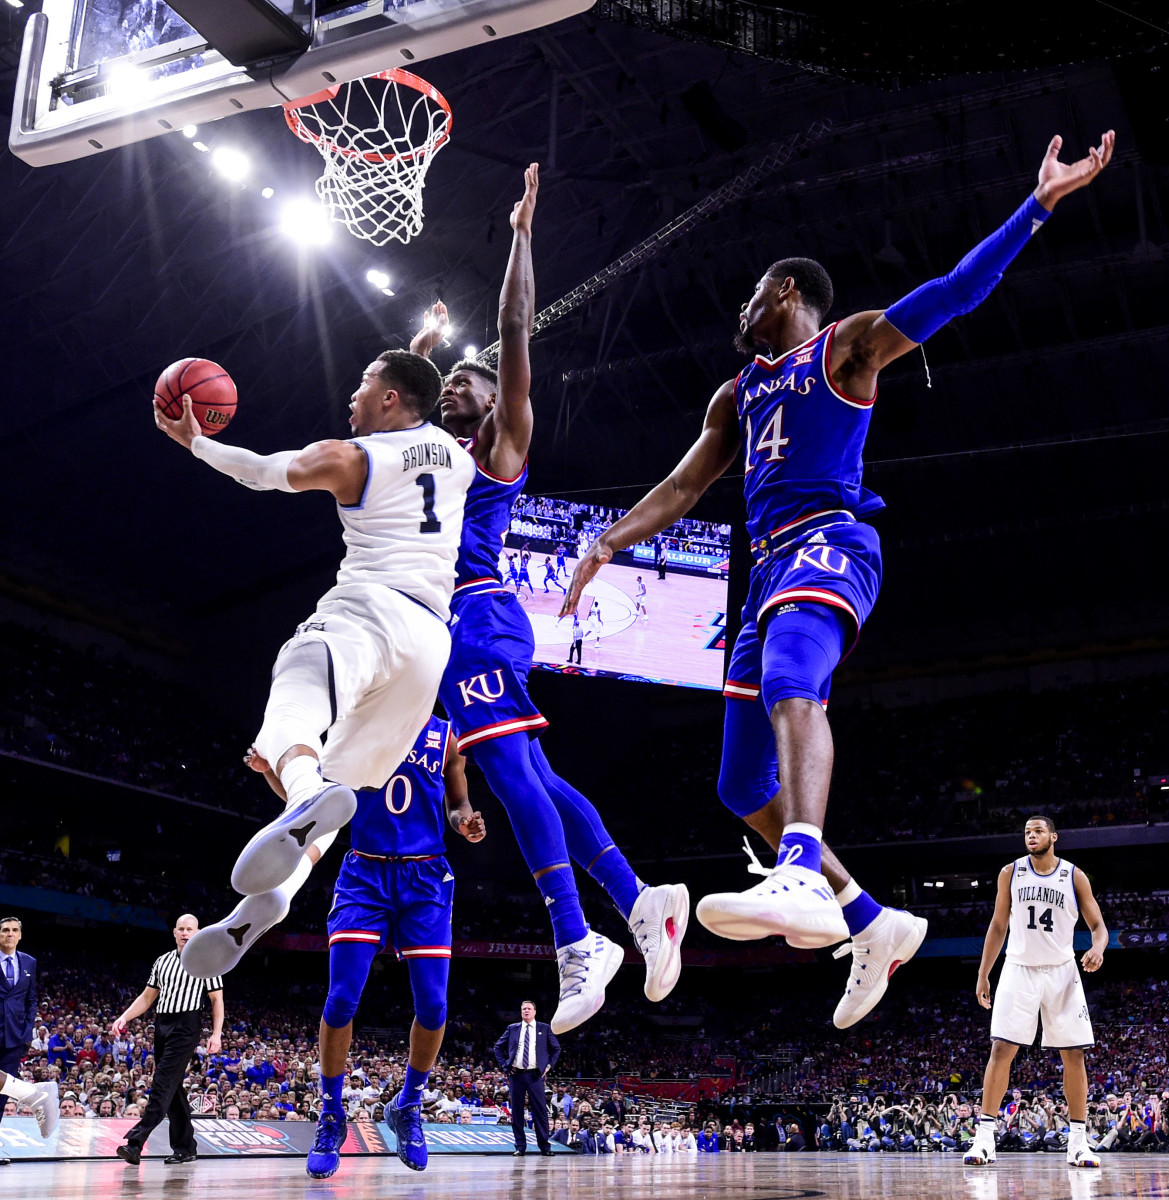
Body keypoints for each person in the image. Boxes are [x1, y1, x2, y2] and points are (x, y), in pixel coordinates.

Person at [563, 129, 1115, 1026]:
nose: (741, 308)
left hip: (832, 543)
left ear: (786, 292)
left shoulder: (847, 349)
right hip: (767, 569)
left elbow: (954, 293)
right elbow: (683, 483)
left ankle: (803, 871)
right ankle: (869, 922)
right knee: (741, 787)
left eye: (752, 294)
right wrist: (606, 541)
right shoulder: (736, 393)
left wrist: (1037, 206)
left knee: (791, 679)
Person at [416, 165, 689, 1034]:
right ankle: (639, 901)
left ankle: (577, 940)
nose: (457, 387)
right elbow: (387, 417)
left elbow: (511, 329)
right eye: (449, 385)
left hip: (475, 610)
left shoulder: (499, 446)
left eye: (469, 382)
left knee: (503, 771)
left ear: (496, 405)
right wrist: (421, 354)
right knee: (533, 773)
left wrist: (521, 236)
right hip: (452, 624)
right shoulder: (430, 453)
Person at [163, 350, 474, 980]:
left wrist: (197, 444)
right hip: (431, 642)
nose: (352, 394)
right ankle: (270, 902)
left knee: (297, 676)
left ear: (390, 398)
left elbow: (263, 471)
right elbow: (417, 392)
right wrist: (422, 346)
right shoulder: (459, 456)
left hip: (371, 607)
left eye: (364, 384)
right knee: (336, 783)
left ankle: (303, 789)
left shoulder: (352, 457)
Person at [246, 719, 483, 1179]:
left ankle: (408, 1105)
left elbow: (458, 804)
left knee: (434, 1006)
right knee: (341, 999)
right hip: (365, 875)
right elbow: (314, 803)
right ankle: (331, 1113)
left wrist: (466, 822)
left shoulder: (447, 734)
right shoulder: (356, 725)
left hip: (426, 877)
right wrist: (270, 773)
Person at [964, 816, 1108, 1169]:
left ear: (1053, 837)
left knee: (1074, 1053)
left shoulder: (1073, 875)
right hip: (1018, 968)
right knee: (1002, 1048)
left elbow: (1099, 926)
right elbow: (998, 925)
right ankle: (984, 1139)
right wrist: (984, 973)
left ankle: (1078, 1142)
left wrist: (1098, 948)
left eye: (1038, 831)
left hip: (1061, 971)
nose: (1031, 836)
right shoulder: (1010, 873)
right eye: (1027, 832)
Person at [111, 915, 224, 1165]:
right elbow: (147, 997)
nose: (185, 933)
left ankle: (135, 1143)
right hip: (162, 1024)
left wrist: (216, 1034)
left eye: (190, 929)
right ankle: (185, 1147)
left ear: (198, 932)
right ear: (174, 932)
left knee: (162, 1083)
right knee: (172, 1088)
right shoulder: (162, 961)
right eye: (181, 929)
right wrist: (124, 1017)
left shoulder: (207, 961)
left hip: (187, 1025)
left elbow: (217, 1000)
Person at [0, 917, 57, 1161]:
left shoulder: (29, 963)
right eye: (4, 930)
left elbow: (31, 999)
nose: (9, 934)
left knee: (1, 1096)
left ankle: (32, 1094)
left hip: (14, 1035)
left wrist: (26, 1034)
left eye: (13, 930)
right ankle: (32, 1094)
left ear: (20, 935)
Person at [494, 1000, 560, 1157]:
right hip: (516, 1075)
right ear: (521, 1011)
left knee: (540, 1111)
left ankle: (545, 1146)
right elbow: (498, 1047)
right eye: (524, 1009)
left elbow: (556, 1048)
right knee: (517, 1112)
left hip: (536, 1075)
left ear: (535, 1011)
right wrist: (505, 1065)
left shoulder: (544, 1028)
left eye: (529, 1008)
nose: (526, 1011)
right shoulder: (513, 1028)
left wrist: (549, 1066)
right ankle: (520, 1146)